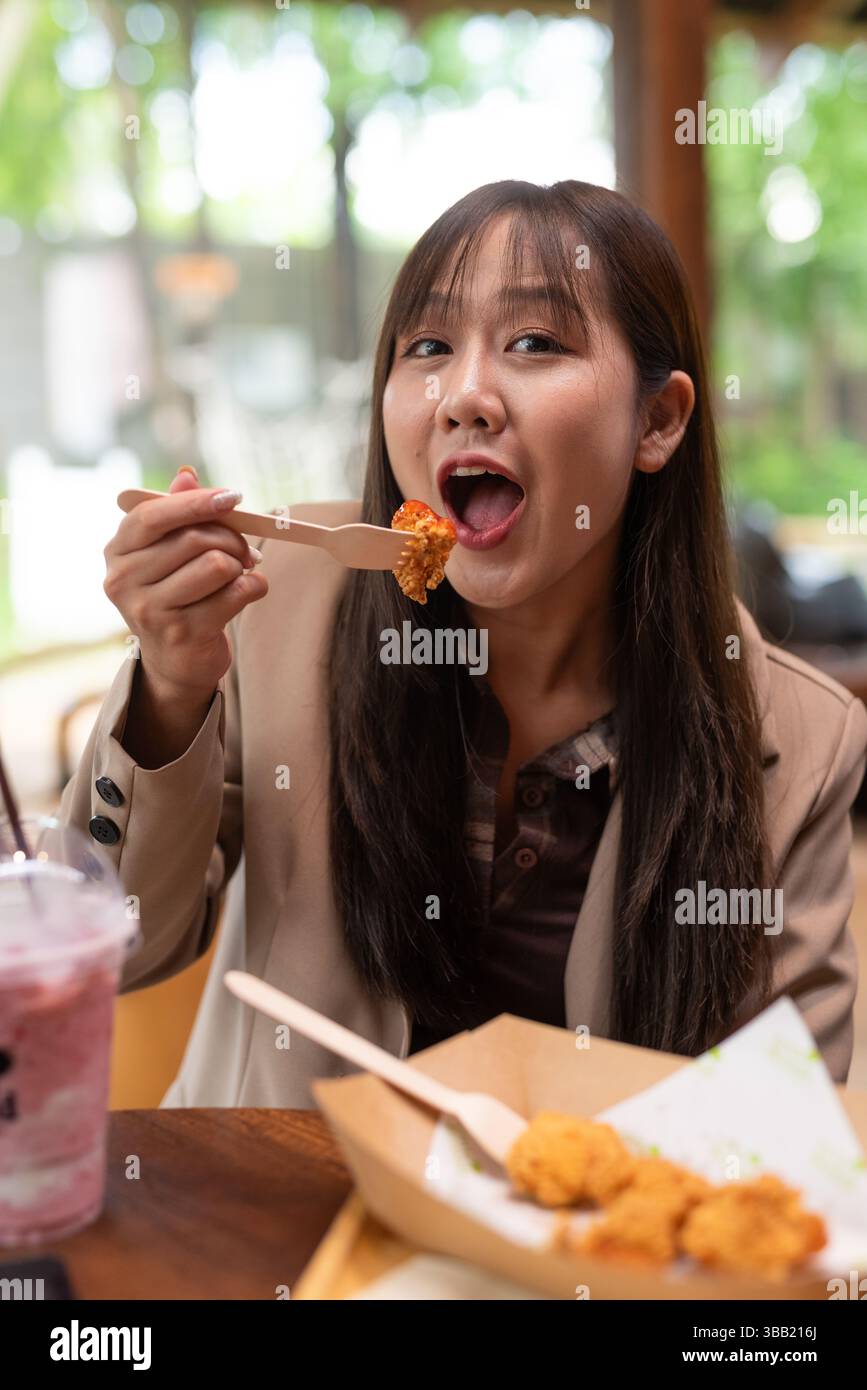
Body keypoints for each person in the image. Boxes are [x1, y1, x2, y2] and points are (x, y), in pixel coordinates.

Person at [58, 180, 867, 1106]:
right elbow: (110, 946)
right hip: (276, 1198)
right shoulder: (276, 609)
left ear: (657, 421)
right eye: (428, 348)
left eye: (535, 342)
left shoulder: (801, 740)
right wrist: (171, 685)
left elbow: (777, 1131)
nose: (464, 396)